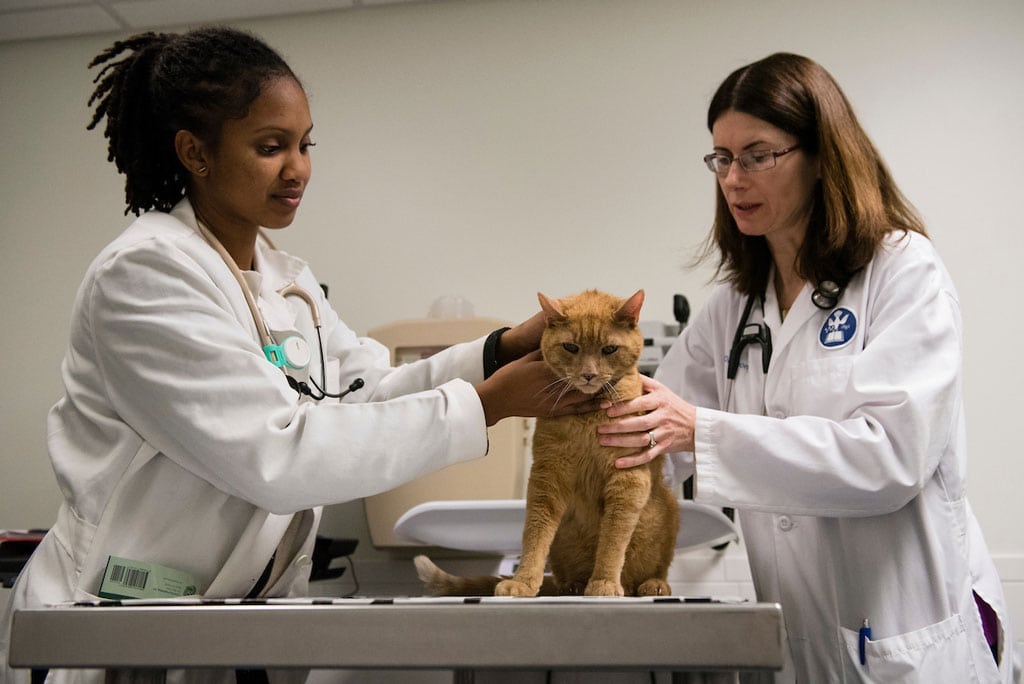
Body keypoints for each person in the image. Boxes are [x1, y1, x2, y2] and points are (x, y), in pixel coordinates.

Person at [0, 27, 594, 684]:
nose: (298, 168)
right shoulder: (143, 274)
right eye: (270, 147)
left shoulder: (288, 282)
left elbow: (366, 393)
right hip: (120, 627)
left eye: (305, 144)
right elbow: (276, 456)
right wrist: (489, 405)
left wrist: (499, 351)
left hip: (224, 627)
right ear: (195, 152)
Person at [598, 53, 1019, 682]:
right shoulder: (734, 307)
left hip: (910, 643)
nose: (733, 179)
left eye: (758, 155)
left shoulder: (902, 270)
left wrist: (702, 431)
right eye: (721, 158)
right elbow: (654, 435)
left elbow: (891, 460)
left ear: (822, 156)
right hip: (798, 643)